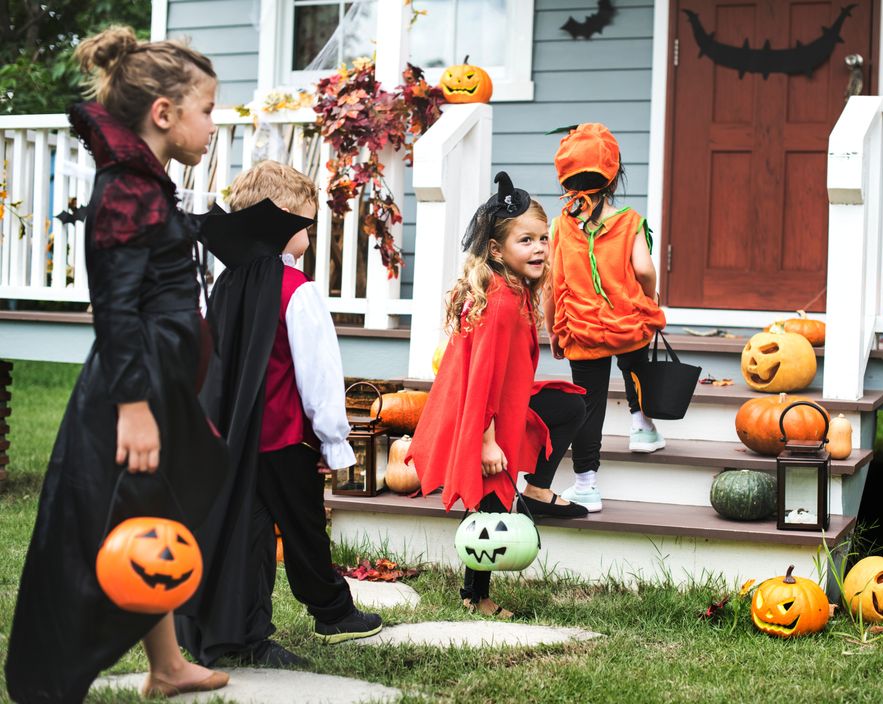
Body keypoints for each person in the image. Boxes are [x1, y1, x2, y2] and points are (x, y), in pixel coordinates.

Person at [5, 26, 231, 701]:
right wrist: (134, 409)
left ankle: (166, 665)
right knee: (104, 528)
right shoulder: (127, 191)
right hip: (136, 387)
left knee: (152, 510)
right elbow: (115, 307)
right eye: (207, 110)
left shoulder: (145, 186)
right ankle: (49, 684)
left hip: (159, 380)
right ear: (164, 113)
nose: (213, 125)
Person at [175, 160, 383, 669]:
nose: (310, 231)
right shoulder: (297, 290)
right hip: (288, 441)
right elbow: (319, 376)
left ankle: (245, 630)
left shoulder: (225, 286)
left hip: (237, 439)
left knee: (248, 536)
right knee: (305, 529)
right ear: (283, 218)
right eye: (306, 222)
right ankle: (332, 613)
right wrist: (335, 442)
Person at [408, 172, 588, 619]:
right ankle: (476, 595)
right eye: (526, 240)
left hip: (506, 403)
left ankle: (537, 491)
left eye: (543, 239)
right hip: (482, 414)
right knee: (490, 501)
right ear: (495, 250)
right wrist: (487, 442)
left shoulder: (512, 289)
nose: (539, 248)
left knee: (568, 405)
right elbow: (484, 377)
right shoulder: (502, 302)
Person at [545, 123, 667, 514]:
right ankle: (642, 426)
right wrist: (650, 298)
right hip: (628, 323)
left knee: (589, 404)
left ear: (565, 179)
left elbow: (551, 284)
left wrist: (552, 329)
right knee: (635, 368)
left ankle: (586, 485)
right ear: (613, 177)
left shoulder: (560, 226)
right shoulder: (630, 221)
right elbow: (644, 270)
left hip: (582, 330)